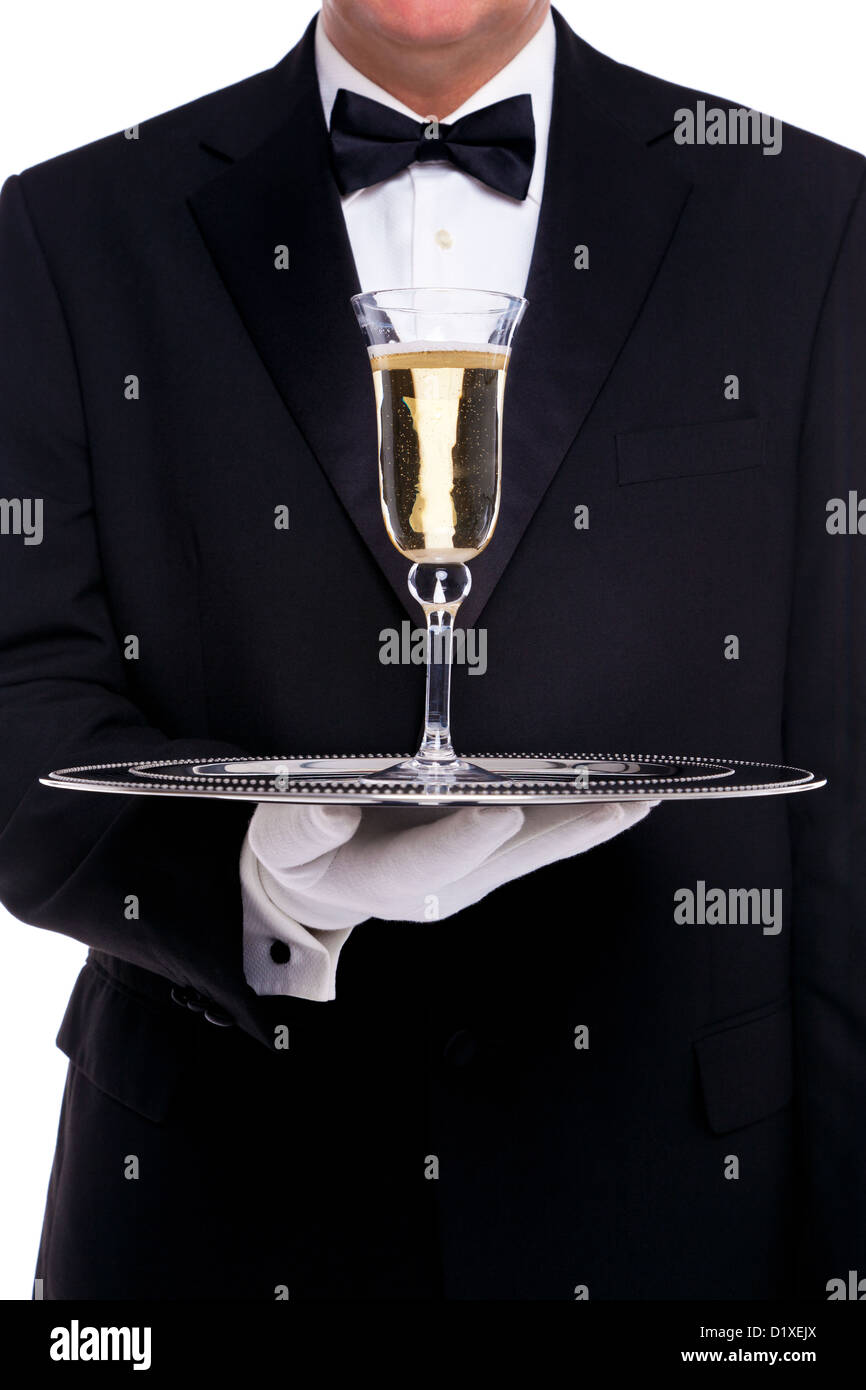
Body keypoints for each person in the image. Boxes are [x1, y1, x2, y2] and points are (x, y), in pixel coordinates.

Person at [0, 0, 862, 1300]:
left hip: (677, 1222)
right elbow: (14, 693)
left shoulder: (810, 220)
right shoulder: (64, 231)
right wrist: (252, 884)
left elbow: (849, 794)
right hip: (206, 1227)